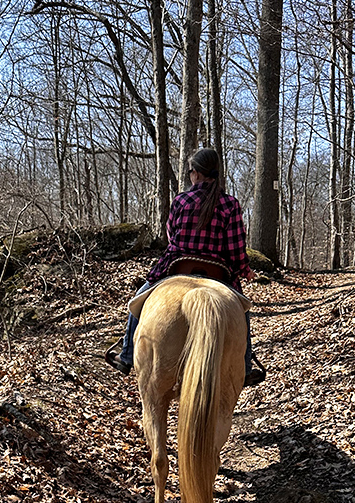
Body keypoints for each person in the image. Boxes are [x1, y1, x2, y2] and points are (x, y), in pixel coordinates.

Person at [106, 147, 265, 386]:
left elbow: (171, 235)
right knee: (243, 311)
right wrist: (245, 270)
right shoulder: (230, 204)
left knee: (138, 301)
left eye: (191, 171)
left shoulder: (181, 200)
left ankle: (127, 355)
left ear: (196, 173)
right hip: (217, 273)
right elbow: (235, 247)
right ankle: (245, 366)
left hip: (178, 266)